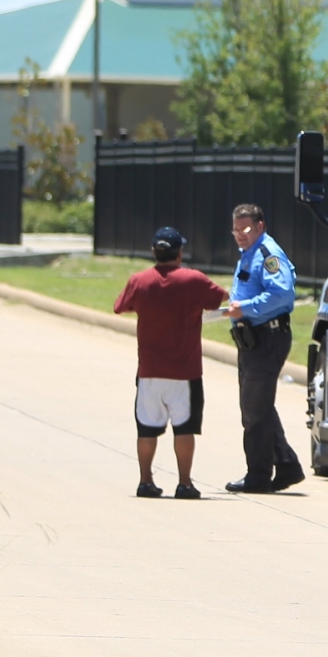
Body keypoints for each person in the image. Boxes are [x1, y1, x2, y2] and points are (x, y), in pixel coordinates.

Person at [112, 226, 227, 499]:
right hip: (185, 372)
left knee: (146, 429)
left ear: (154, 252)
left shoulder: (139, 280)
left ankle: (145, 482)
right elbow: (220, 297)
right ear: (180, 253)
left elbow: (120, 306)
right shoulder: (193, 280)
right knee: (184, 428)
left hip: (149, 372)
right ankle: (184, 483)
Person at [223, 203, 306, 494]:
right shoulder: (248, 253)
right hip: (251, 339)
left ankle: (258, 476)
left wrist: (244, 308)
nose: (239, 234)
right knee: (258, 405)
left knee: (254, 409)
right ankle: (286, 464)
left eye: (245, 229)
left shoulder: (267, 254)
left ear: (260, 226)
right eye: (235, 230)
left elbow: (282, 294)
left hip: (268, 337)